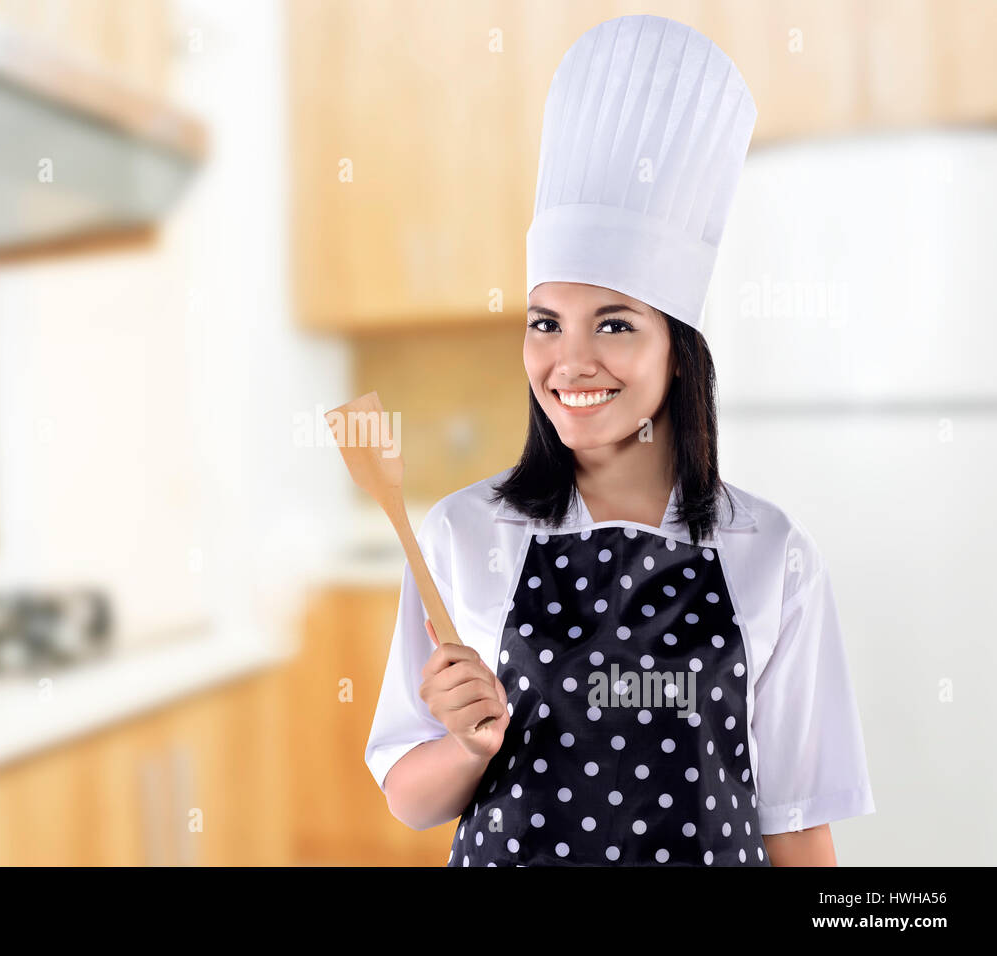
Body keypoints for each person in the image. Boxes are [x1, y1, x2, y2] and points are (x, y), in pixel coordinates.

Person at [363, 14, 875, 867]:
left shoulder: (773, 553)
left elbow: (793, 820)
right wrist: (468, 743)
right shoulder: (460, 534)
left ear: (678, 351)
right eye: (545, 323)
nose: (571, 362)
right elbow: (408, 798)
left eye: (613, 324)